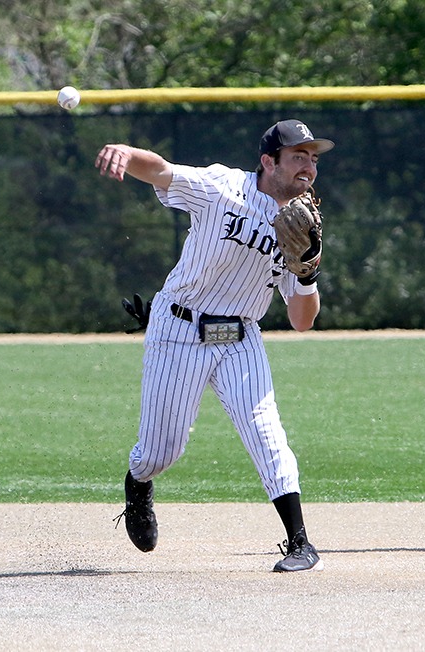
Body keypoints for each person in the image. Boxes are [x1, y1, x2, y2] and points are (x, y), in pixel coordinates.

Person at [96, 119, 334, 572]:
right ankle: (139, 481)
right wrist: (126, 152)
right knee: (160, 453)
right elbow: (162, 171)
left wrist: (307, 272)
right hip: (179, 328)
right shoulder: (222, 187)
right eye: (298, 156)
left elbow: (303, 321)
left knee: (267, 434)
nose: (309, 166)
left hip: (240, 336)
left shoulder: (301, 224)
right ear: (269, 162)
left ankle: (301, 543)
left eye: (313, 158)